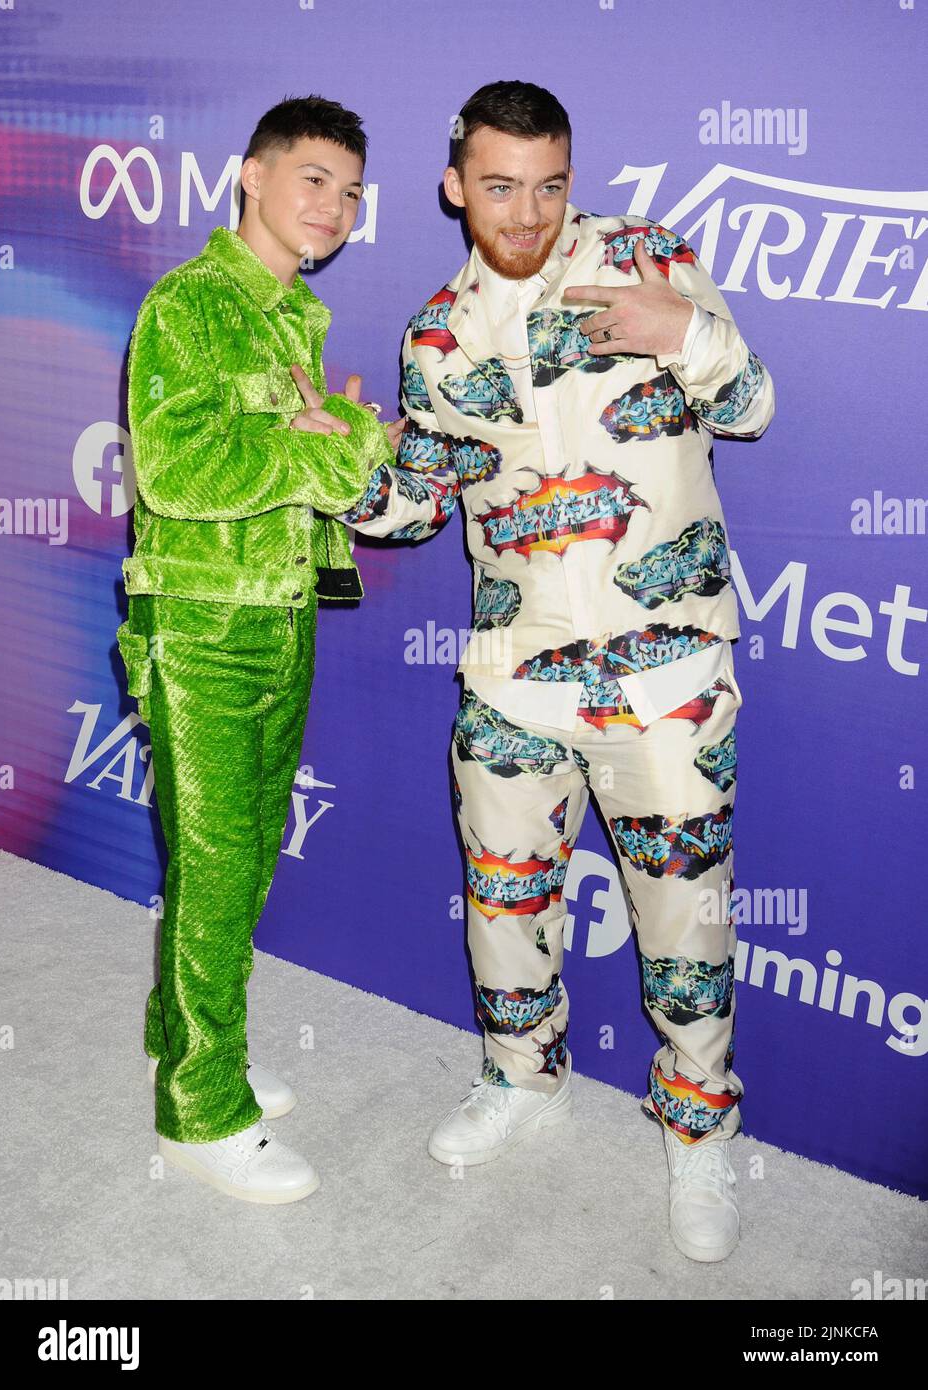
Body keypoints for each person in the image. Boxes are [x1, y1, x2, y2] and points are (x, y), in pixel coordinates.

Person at [339, 81, 774, 1261]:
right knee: (505, 901)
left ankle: (698, 1131)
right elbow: (416, 507)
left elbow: (752, 404)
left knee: (686, 917)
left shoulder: (648, 260)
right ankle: (521, 1079)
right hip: (511, 674)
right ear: (452, 185)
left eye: (549, 184)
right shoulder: (437, 335)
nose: (526, 211)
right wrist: (340, 468)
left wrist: (683, 336)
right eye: (498, 186)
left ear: (571, 176)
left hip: (669, 672)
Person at [116, 95, 396, 1204]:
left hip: (280, 615)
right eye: (315, 178)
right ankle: (199, 1107)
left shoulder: (293, 321)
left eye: (351, 190)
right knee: (221, 865)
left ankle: (182, 1032)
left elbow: (290, 466)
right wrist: (337, 451)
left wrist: (330, 448)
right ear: (251, 177)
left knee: (231, 858)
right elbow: (181, 474)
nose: (334, 205)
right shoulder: (188, 304)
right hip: (201, 627)